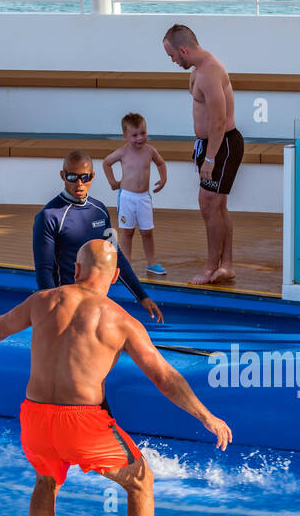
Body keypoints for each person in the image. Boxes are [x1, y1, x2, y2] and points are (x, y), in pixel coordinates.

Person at [0, 240, 232, 516]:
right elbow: (164, 376)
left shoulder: (42, 301)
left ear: (77, 270)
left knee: (46, 481)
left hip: (34, 416)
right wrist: (206, 416)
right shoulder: (122, 322)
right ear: (115, 277)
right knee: (141, 481)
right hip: (81, 421)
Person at [32, 151, 164, 324]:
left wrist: (142, 296)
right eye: (72, 177)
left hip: (95, 306)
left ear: (92, 176)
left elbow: (116, 257)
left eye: (85, 177)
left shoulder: (99, 211)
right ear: (63, 176)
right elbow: (44, 271)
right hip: (65, 306)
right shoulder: (49, 217)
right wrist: (52, 313)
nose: (79, 183)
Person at [162, 24, 243, 285]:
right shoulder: (200, 69)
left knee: (209, 205)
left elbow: (218, 122)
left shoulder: (209, 73)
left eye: (173, 56)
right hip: (210, 144)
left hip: (223, 145)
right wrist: (201, 150)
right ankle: (226, 266)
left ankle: (210, 268)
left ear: (183, 49)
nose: (173, 61)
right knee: (216, 206)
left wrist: (210, 158)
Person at [102, 112, 169, 276]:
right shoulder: (122, 153)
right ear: (125, 136)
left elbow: (161, 163)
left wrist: (163, 179)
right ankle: (127, 264)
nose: (139, 138)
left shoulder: (150, 151)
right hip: (127, 197)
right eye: (134, 135)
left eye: (143, 133)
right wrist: (113, 182)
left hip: (143, 198)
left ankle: (151, 263)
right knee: (127, 231)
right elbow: (106, 163)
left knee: (147, 231)